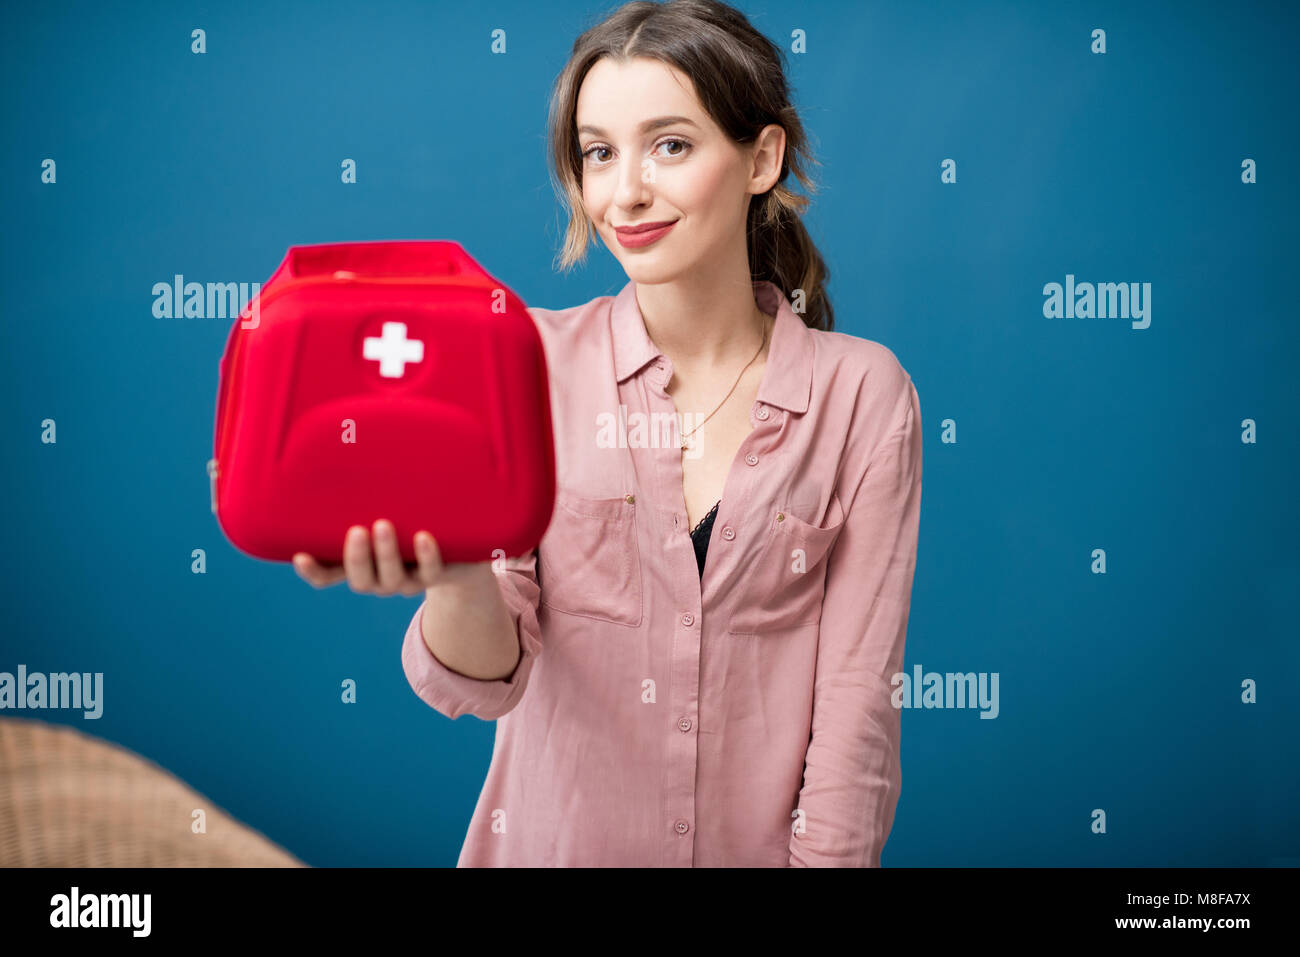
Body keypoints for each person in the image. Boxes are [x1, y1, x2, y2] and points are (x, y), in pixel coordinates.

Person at [293, 0, 922, 867]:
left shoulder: (863, 395)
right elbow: (482, 679)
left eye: (670, 144)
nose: (624, 191)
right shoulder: (528, 364)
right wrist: (462, 569)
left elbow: (858, 710)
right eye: (599, 153)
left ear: (761, 159)